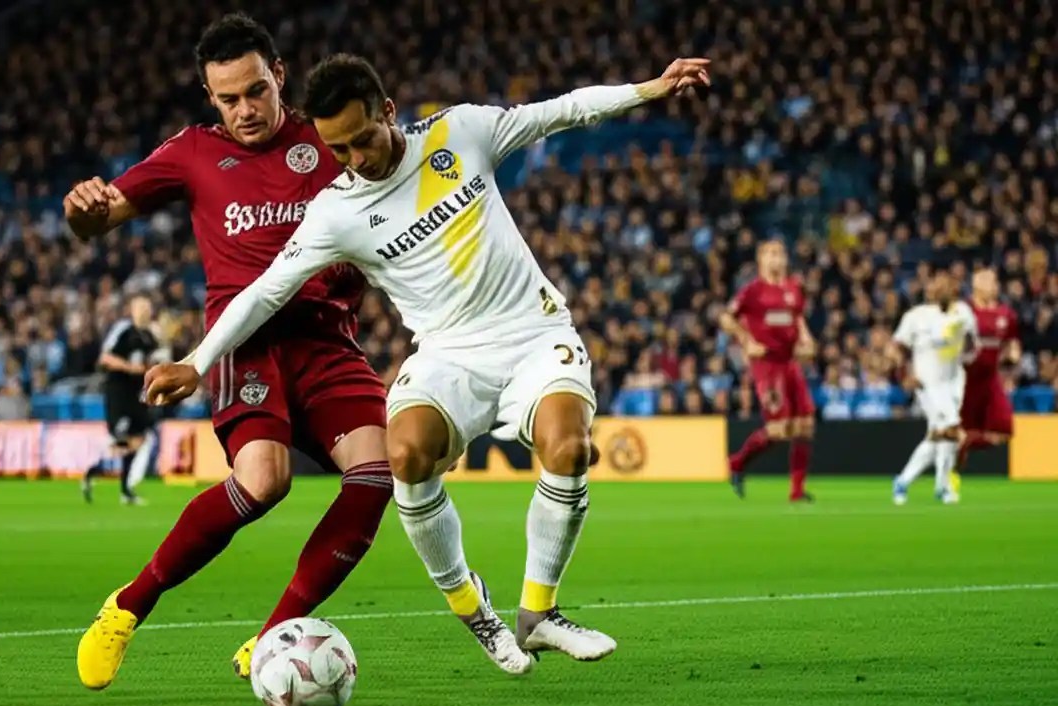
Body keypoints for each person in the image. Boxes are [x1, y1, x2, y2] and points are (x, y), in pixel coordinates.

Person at [145, 53, 711, 674]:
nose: (356, 159)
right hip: (448, 353)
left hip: (533, 334)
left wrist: (650, 87)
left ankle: (539, 615)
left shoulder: (459, 133)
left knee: (568, 445)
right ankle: (476, 611)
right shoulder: (336, 211)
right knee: (406, 456)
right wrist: (198, 363)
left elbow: (564, 110)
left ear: (389, 112)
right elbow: (265, 290)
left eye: (363, 138)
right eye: (339, 149)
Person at [65, 14, 392, 690]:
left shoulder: (328, 137)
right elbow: (100, 220)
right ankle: (128, 606)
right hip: (245, 347)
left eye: (255, 91)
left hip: (328, 339)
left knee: (376, 474)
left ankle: (274, 639)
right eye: (228, 99)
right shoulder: (190, 152)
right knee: (265, 481)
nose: (245, 110)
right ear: (209, 98)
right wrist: (83, 210)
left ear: (280, 77)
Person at [721, 241, 818, 502]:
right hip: (767, 365)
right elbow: (726, 318)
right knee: (779, 430)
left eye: (781, 253)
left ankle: (797, 492)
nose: (778, 259)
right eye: (772, 254)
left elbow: (797, 318)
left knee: (806, 426)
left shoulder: (794, 287)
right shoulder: (752, 291)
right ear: (761, 259)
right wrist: (746, 341)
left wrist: (807, 340)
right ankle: (737, 463)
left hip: (790, 362)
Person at [890, 269, 979, 505]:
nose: (938, 288)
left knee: (939, 435)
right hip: (928, 382)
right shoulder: (915, 316)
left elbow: (972, 345)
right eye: (934, 284)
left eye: (944, 283)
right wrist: (904, 374)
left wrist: (967, 347)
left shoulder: (964, 312)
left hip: (954, 379)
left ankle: (905, 481)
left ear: (954, 288)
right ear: (928, 290)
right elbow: (896, 347)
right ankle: (941, 486)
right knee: (949, 428)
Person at [81, 294, 161, 506]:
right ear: (132, 310)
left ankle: (125, 490)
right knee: (122, 440)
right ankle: (93, 471)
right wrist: (130, 368)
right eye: (141, 307)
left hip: (137, 395)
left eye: (148, 307)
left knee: (138, 440)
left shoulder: (150, 336)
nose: (145, 311)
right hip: (118, 393)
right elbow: (105, 358)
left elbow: (150, 363)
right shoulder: (123, 330)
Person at [952, 268, 1019, 490]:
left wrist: (1012, 361)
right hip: (965, 380)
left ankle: (966, 441)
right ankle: (950, 473)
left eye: (996, 281)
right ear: (977, 284)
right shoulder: (963, 311)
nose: (996, 285)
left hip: (991, 379)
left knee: (1005, 431)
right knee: (952, 434)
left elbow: (1012, 343)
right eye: (991, 281)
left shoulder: (1006, 314)